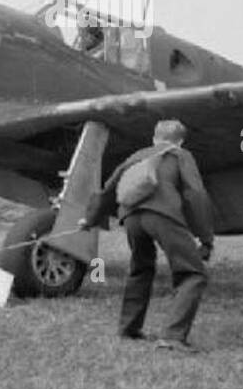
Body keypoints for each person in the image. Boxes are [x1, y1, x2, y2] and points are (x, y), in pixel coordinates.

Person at [79, 118, 215, 351]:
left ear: (154, 138)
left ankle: (129, 329)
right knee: (193, 274)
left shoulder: (137, 155)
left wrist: (90, 220)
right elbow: (196, 195)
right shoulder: (181, 155)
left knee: (141, 268)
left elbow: (108, 189)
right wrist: (205, 237)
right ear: (180, 141)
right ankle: (172, 337)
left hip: (131, 217)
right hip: (162, 214)